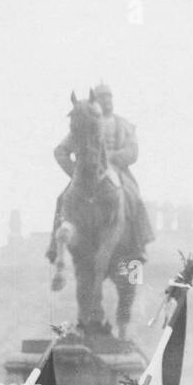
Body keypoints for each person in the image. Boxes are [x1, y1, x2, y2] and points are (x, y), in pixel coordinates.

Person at [53, 82, 153, 259]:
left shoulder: (124, 124)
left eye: (109, 97)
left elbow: (132, 151)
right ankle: (55, 246)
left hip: (117, 171)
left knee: (134, 196)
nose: (107, 101)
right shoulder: (85, 123)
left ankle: (138, 245)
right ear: (95, 102)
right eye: (102, 98)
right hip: (85, 174)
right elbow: (60, 151)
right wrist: (74, 171)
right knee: (62, 199)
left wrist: (112, 157)